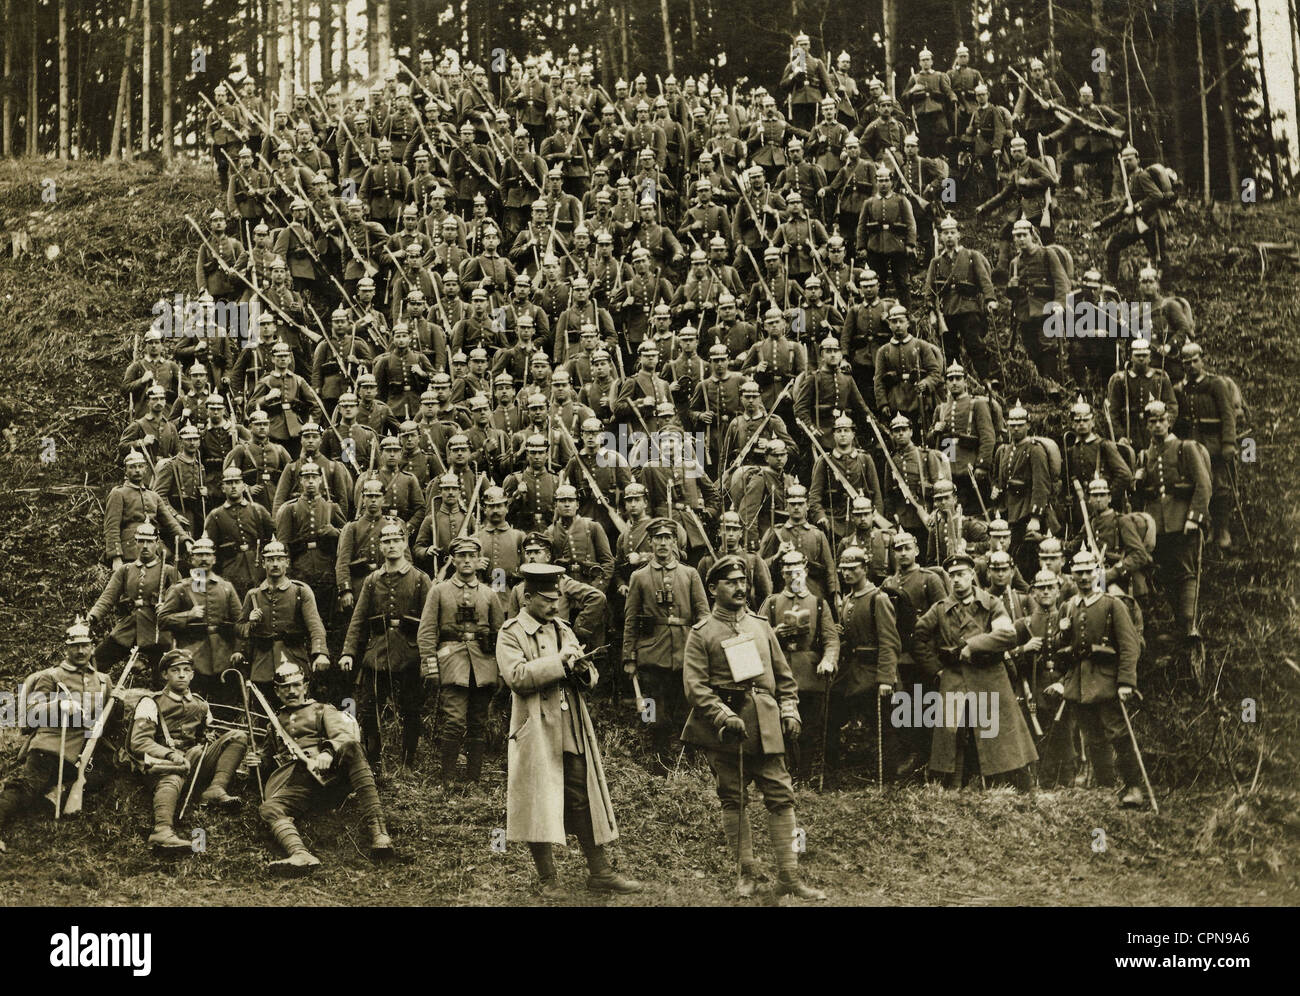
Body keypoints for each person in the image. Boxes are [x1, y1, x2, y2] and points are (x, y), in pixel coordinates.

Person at [682, 555, 825, 900]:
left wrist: (790, 711)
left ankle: (789, 877)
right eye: (731, 582)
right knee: (733, 799)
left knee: (781, 795)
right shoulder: (702, 634)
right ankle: (745, 875)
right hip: (726, 730)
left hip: (766, 724)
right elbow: (695, 687)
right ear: (713, 588)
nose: (740, 588)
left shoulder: (761, 626)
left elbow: (785, 677)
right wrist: (721, 715)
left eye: (743, 581)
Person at [497, 562, 642, 897]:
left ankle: (600, 872)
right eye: (547, 599)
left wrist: (582, 668)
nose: (554, 605)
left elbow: (588, 677)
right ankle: (548, 878)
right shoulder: (511, 633)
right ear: (528, 598)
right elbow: (516, 677)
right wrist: (561, 663)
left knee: (582, 797)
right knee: (539, 799)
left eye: (556, 598)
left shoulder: (563, 627)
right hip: (536, 729)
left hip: (571, 726)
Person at [912, 552, 1038, 789]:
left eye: (961, 574)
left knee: (1000, 732)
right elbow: (918, 637)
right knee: (953, 734)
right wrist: (936, 670)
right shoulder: (940, 609)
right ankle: (953, 785)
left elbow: (1007, 634)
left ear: (972, 575)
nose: (957, 580)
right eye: (952, 576)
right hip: (954, 675)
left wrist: (974, 645)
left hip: (989, 673)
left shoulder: (991, 603)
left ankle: (1010, 784)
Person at [256, 658, 393, 875]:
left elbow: (343, 736)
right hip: (297, 786)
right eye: (285, 687)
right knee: (269, 808)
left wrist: (328, 752)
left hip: (330, 779)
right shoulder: (273, 724)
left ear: (305, 686)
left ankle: (379, 832)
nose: (291, 691)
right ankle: (300, 854)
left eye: (296, 685)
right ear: (277, 691)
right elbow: (266, 762)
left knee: (351, 747)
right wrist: (254, 762)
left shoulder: (322, 710)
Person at [1044, 548, 1147, 807]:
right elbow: (1059, 647)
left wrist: (1126, 682)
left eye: (1089, 571)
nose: (1084, 577)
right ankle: (1105, 786)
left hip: (1107, 680)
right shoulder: (1068, 606)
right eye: (1079, 573)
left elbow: (1129, 646)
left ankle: (1134, 786)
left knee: (1118, 733)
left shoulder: (1113, 605)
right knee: (1092, 736)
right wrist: (1063, 634)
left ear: (1097, 572)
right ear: (1072, 575)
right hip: (1079, 682)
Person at [0, 619, 114, 853]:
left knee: (107, 773)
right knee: (27, 788)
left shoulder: (103, 681)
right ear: (66, 649)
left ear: (92, 647)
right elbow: (32, 715)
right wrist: (58, 705)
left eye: (85, 645)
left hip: (84, 755)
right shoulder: (52, 677)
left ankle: (56, 794)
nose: (81, 651)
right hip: (50, 747)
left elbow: (108, 719)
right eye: (75, 646)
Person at [128, 648, 248, 852]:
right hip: (163, 763)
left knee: (237, 736)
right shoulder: (152, 702)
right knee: (172, 777)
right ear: (165, 675)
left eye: (186, 670)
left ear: (193, 674)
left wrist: (207, 738)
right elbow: (139, 742)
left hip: (193, 760)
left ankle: (215, 789)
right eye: (175, 670)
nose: (182, 674)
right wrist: (170, 754)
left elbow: (205, 733)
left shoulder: (200, 704)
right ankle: (162, 832)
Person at [339, 523, 434, 775]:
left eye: (396, 540)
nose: (391, 546)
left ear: (404, 544)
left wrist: (429, 658)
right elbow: (358, 619)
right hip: (377, 653)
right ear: (380, 547)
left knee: (410, 709)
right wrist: (348, 651)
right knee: (369, 710)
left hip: (410, 653)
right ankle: (373, 763)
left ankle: (407, 763)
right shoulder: (372, 580)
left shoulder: (420, 579)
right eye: (386, 541)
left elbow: (431, 621)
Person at [416, 535, 506, 783]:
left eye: (471, 556)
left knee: (478, 721)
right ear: (453, 560)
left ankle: (474, 778)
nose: (467, 561)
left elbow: (501, 636)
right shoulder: (439, 591)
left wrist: (499, 671)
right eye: (461, 556)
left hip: (483, 663)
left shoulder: (489, 594)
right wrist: (430, 666)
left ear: (479, 560)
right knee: (454, 721)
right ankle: (448, 778)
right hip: (452, 662)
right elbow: (426, 632)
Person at [623, 517, 710, 772]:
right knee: (652, 713)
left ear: (674, 541)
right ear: (650, 543)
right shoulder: (639, 577)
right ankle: (656, 760)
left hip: (685, 653)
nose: (662, 543)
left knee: (686, 710)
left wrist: (703, 650)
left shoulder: (690, 574)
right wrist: (629, 656)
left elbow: (703, 615)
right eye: (657, 538)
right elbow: (631, 619)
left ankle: (688, 761)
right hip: (652, 655)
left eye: (667, 538)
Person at [761, 549, 840, 784]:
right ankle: (783, 773)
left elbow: (831, 638)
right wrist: (775, 633)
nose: (793, 577)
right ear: (782, 575)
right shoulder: (773, 603)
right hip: (780, 672)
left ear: (805, 572)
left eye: (797, 572)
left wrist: (828, 660)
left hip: (809, 675)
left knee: (809, 726)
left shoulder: (818, 603)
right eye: (787, 572)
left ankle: (803, 775)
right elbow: (756, 635)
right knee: (780, 725)